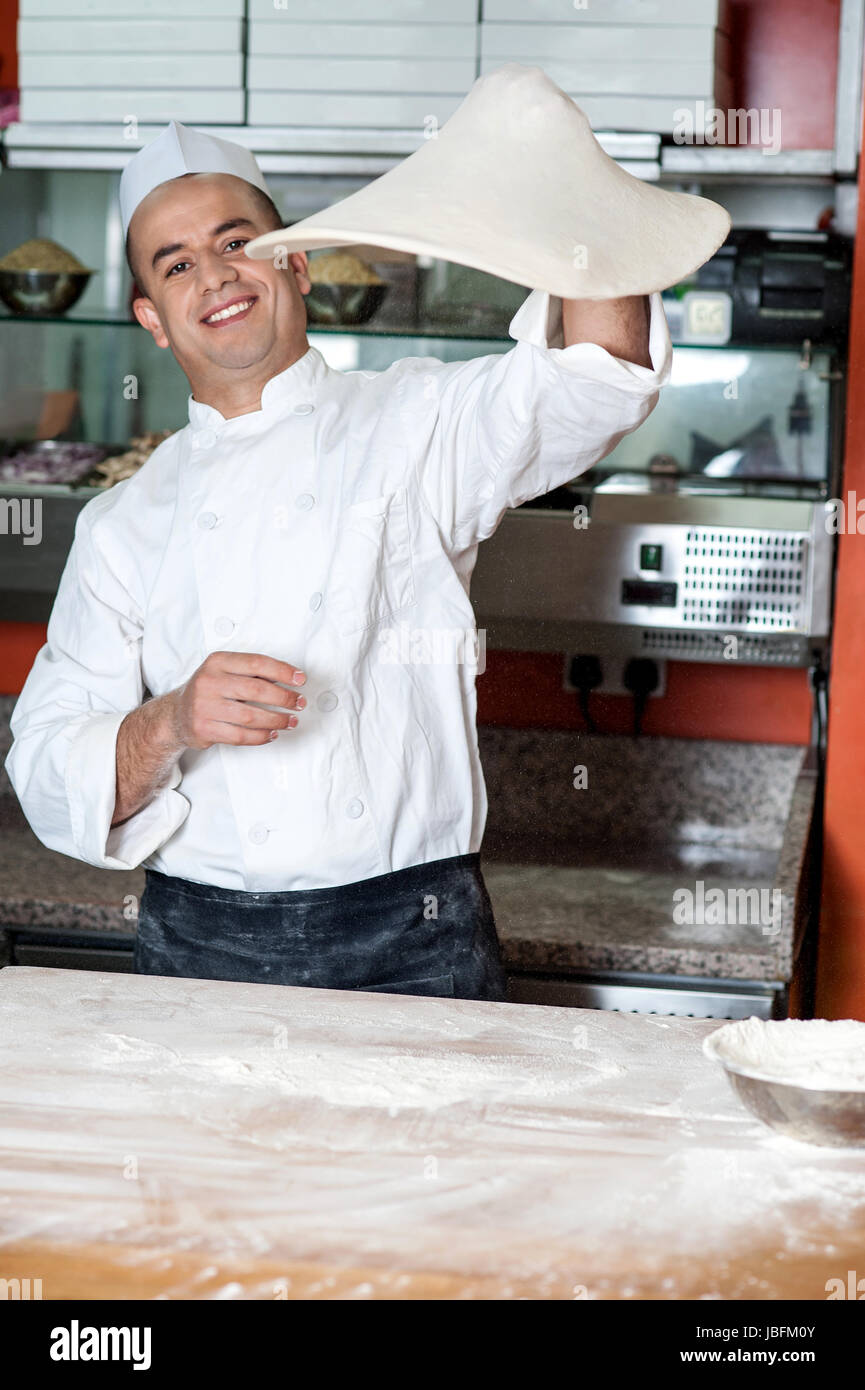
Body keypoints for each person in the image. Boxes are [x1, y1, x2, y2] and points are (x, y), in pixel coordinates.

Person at [5, 122, 670, 1001]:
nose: (213, 276)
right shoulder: (121, 522)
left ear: (296, 266)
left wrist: (581, 201)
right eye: (175, 265)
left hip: (416, 932)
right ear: (152, 321)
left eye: (237, 243)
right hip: (201, 948)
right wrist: (173, 721)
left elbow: (594, 378)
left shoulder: (418, 422)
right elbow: (49, 777)